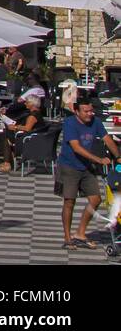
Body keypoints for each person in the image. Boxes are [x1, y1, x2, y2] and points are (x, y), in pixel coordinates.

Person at [57, 97, 121, 249]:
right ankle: (68, 238)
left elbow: (107, 139)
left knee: (96, 199)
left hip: (86, 167)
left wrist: (118, 157)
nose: (89, 114)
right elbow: (76, 147)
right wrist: (98, 160)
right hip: (69, 166)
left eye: (91, 110)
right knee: (69, 202)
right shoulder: (69, 123)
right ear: (76, 110)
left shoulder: (96, 122)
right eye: (86, 111)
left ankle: (80, 232)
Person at [0, 95, 41, 172]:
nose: (25, 104)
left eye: (27, 102)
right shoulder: (36, 113)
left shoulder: (32, 116)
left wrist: (16, 127)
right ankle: (8, 161)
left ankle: (7, 163)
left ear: (32, 104)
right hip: (32, 138)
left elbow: (27, 128)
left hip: (29, 140)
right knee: (7, 133)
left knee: (5, 135)